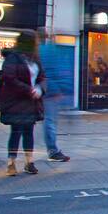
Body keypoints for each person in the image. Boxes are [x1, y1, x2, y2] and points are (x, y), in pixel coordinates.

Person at [0, 31, 46, 176]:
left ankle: (29, 162)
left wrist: (40, 89)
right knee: (16, 132)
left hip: (31, 101)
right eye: (35, 41)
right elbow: (9, 78)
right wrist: (29, 90)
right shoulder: (13, 58)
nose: (37, 44)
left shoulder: (34, 59)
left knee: (28, 132)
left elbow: (42, 77)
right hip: (17, 101)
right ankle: (11, 163)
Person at [39, 32, 72, 163]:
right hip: (49, 92)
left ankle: (22, 157)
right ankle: (53, 151)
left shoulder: (38, 51)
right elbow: (52, 72)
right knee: (50, 121)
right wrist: (58, 90)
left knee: (30, 123)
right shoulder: (48, 50)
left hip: (38, 90)